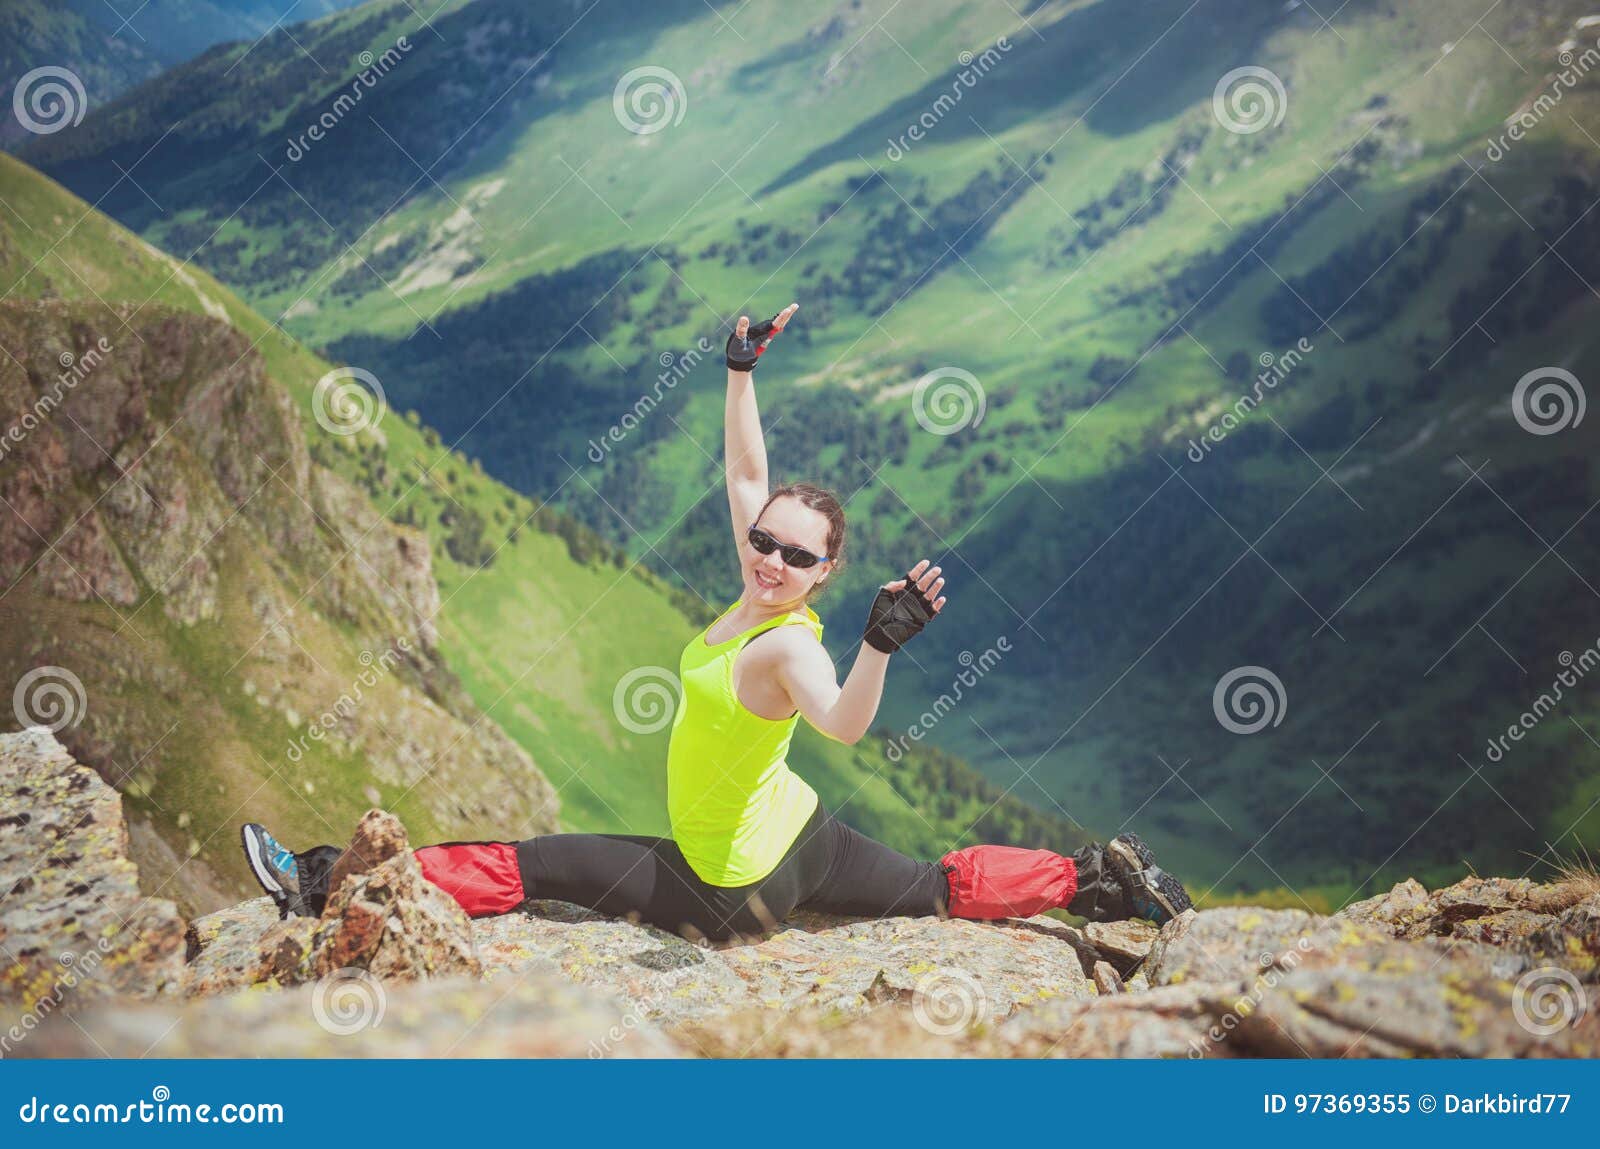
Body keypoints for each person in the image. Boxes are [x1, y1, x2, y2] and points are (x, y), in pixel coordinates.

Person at [241, 302, 1192, 940]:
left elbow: (843, 723)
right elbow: (745, 476)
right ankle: (1090, 881)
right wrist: (740, 375)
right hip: (804, 836)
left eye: (794, 555)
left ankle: (321, 886)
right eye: (766, 542)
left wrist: (878, 645)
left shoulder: (784, 640)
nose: (769, 558)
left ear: (828, 573)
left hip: (730, 883)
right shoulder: (763, 586)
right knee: (933, 889)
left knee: (530, 866)